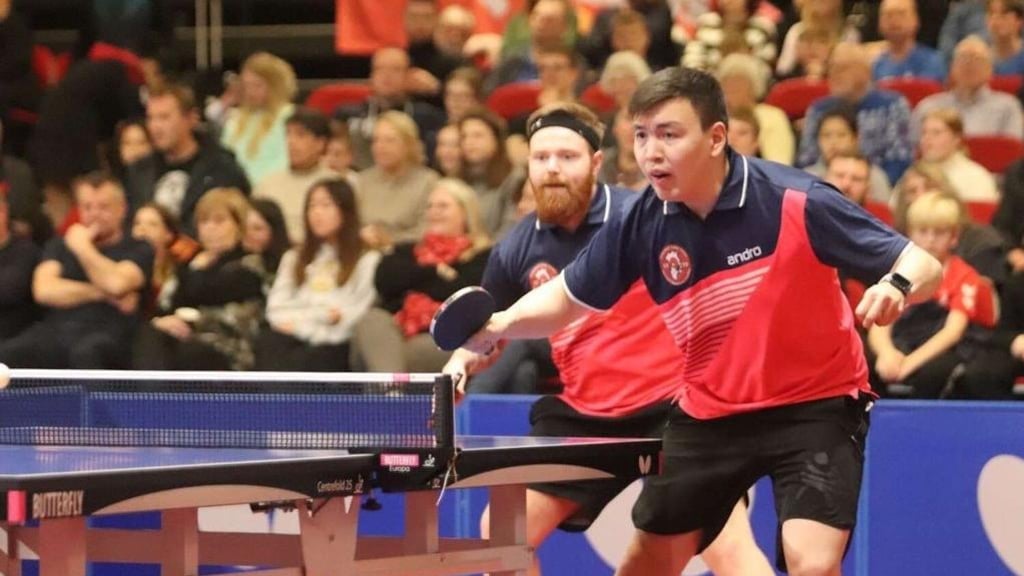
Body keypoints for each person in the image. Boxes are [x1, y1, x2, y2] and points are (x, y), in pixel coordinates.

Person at [451, 67, 943, 575]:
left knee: (811, 563)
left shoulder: (795, 200)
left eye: (668, 134)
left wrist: (894, 286)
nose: (650, 152)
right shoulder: (642, 220)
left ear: (715, 138)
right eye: (641, 136)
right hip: (712, 413)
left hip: (815, 405)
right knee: (647, 565)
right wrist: (498, 324)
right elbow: (568, 297)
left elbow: (922, 263)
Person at [446, 102, 773, 576]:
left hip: (675, 409)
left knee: (729, 550)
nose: (553, 169)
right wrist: (461, 362)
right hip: (586, 415)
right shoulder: (517, 247)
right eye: (541, 159)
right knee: (498, 537)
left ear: (596, 163)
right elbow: (487, 331)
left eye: (567, 157)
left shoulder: (645, 214)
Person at [0, 172, 153, 368]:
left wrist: (82, 247)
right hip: (57, 329)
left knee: (88, 353)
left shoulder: (138, 247)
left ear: (122, 209)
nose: (95, 214)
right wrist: (103, 294)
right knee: (8, 355)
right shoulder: (59, 246)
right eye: (87, 207)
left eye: (103, 207)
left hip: (111, 332)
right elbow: (44, 290)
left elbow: (117, 283)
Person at [867, 191, 998, 397]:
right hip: (904, 339)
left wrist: (908, 364)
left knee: (934, 372)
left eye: (939, 232)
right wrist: (886, 354)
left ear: (954, 237)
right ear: (910, 233)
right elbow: (879, 323)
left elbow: (952, 332)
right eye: (922, 231)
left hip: (946, 348)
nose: (930, 239)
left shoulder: (964, 275)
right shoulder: (899, 272)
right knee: (864, 358)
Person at [355, 178, 491, 373]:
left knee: (394, 353)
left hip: (446, 338)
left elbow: (460, 293)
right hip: (396, 334)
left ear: (465, 213)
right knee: (373, 320)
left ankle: (391, 391)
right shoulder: (407, 250)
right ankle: (394, 391)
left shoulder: (481, 255)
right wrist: (435, 271)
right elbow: (385, 279)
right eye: (429, 206)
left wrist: (413, 280)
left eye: (443, 206)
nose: (433, 212)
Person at [257, 179, 381, 372]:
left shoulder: (367, 260)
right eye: (312, 206)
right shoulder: (294, 258)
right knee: (269, 343)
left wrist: (304, 325)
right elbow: (276, 308)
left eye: (325, 205)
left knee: (316, 357)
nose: (316, 213)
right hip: (294, 338)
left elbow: (353, 315)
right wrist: (321, 317)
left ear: (345, 211)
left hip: (335, 344)